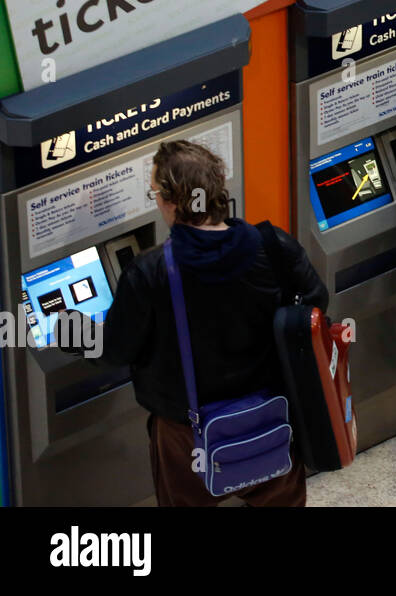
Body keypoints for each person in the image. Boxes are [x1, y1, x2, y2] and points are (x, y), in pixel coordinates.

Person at [90, 139, 327, 506]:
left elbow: (115, 349)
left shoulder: (149, 273)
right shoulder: (273, 245)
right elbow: (314, 306)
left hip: (186, 433)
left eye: (154, 191)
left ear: (169, 201)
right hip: (270, 412)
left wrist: (70, 331)